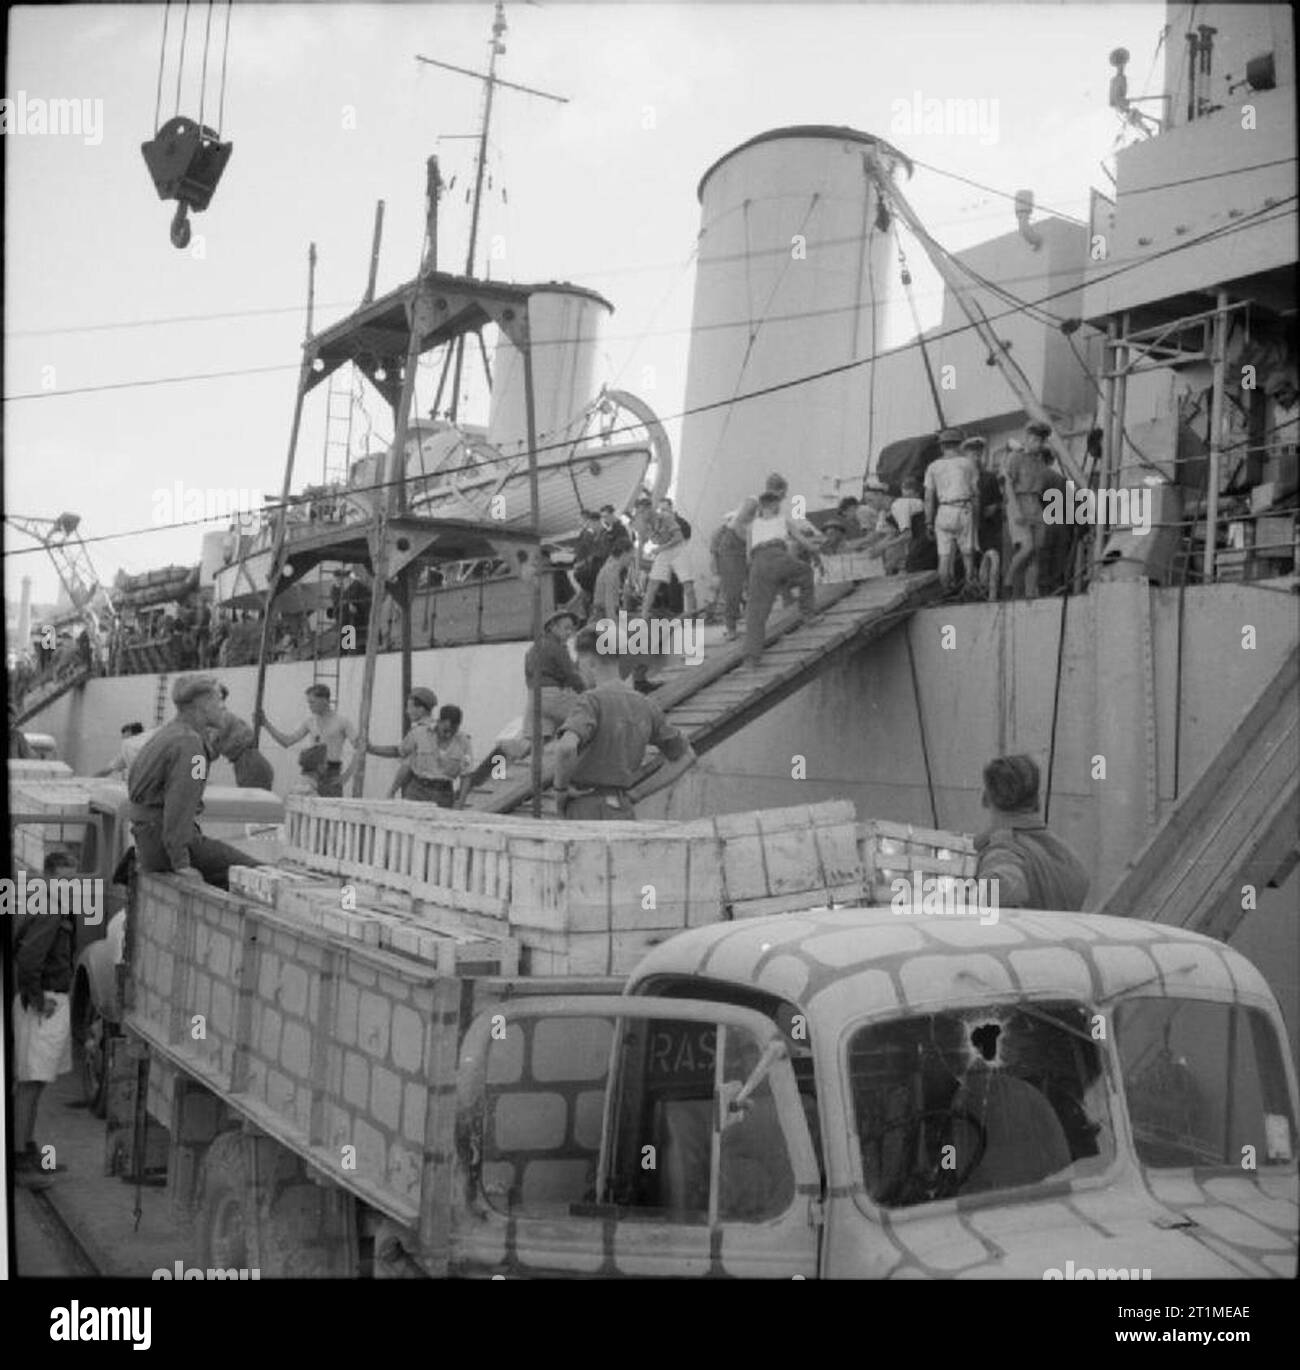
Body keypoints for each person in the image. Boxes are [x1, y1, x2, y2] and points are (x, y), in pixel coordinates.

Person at [128, 674, 264, 890]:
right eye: (219, 701)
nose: (223, 709)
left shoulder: (169, 735)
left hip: (150, 841)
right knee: (261, 875)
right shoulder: (191, 747)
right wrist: (181, 863)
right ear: (203, 705)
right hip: (165, 845)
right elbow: (181, 806)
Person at [552, 625, 697, 820]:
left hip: (585, 809)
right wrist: (637, 793)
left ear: (590, 662)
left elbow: (566, 748)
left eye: (578, 663)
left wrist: (560, 790)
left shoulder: (590, 701)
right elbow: (686, 757)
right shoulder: (646, 705)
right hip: (622, 809)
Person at [13, 848, 80, 1185]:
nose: (71, 885)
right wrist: (38, 1000)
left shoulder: (47, 902)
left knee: (37, 1082)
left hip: (48, 1000)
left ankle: (27, 1147)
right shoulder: (49, 907)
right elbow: (28, 958)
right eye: (65, 879)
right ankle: (20, 1160)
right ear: (51, 876)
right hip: (43, 1003)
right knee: (29, 1082)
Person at [973, 754, 1089, 910]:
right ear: (1036, 800)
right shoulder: (1067, 857)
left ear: (986, 798)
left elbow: (1004, 888)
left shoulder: (1004, 849)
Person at [743, 488, 820, 668]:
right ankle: (808, 615)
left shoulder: (751, 526)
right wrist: (817, 550)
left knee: (756, 613)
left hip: (758, 564)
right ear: (775, 505)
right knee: (806, 571)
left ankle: (751, 658)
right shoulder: (783, 520)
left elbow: (748, 556)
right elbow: (804, 542)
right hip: (778, 556)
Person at [713, 473, 789, 641]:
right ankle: (731, 627)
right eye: (783, 495)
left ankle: (759, 621)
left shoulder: (772, 509)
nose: (784, 499)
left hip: (749, 546)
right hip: (732, 546)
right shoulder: (753, 502)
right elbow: (738, 525)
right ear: (776, 491)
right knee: (734, 588)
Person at [258, 683, 361, 798]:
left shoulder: (342, 722)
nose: (310, 706)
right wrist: (266, 724)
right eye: (309, 702)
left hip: (332, 773)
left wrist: (346, 776)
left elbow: (360, 748)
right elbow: (287, 741)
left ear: (324, 700)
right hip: (312, 774)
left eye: (312, 702)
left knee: (329, 811)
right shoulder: (310, 722)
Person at [924, 428, 981, 592]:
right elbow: (976, 493)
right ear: (960, 445)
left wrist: (928, 523)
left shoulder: (933, 467)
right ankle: (970, 588)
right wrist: (976, 520)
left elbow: (929, 497)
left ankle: (945, 591)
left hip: (943, 511)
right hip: (963, 509)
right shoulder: (968, 463)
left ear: (942, 447)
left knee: (944, 556)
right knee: (967, 554)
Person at [523, 608, 588, 741]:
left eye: (572, 630)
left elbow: (528, 675)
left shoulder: (532, 649)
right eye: (566, 628)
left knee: (540, 741)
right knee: (588, 713)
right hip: (553, 697)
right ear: (553, 627)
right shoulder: (558, 648)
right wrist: (586, 692)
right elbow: (571, 675)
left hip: (533, 698)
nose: (569, 633)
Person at [1005, 421, 1052, 598]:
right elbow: (1008, 485)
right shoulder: (1015, 458)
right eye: (1035, 440)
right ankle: (1008, 581)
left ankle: (1030, 593)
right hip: (1019, 503)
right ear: (1027, 438)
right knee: (1027, 547)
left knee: (1036, 553)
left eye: (1041, 441)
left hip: (1036, 505)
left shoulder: (1040, 462)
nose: (1038, 444)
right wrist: (1015, 511)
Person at [639, 496, 698, 619]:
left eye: (642, 511)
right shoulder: (644, 524)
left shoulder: (666, 518)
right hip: (664, 551)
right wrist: (637, 563)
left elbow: (678, 537)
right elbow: (641, 543)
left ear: (649, 509)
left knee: (687, 585)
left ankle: (693, 615)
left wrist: (660, 549)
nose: (641, 515)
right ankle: (643, 615)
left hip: (678, 549)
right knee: (652, 583)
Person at [964, 435, 1004, 599]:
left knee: (989, 559)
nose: (977, 457)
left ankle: (988, 592)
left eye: (979, 453)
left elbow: (999, 501)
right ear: (966, 455)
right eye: (973, 453)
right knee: (967, 561)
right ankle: (969, 591)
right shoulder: (961, 476)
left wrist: (995, 507)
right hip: (966, 526)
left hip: (986, 527)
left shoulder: (989, 477)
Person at [214, 714, 276, 790]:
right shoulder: (227, 718)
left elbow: (213, 749)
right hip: (253, 760)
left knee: (252, 799)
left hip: (249, 764)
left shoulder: (219, 721)